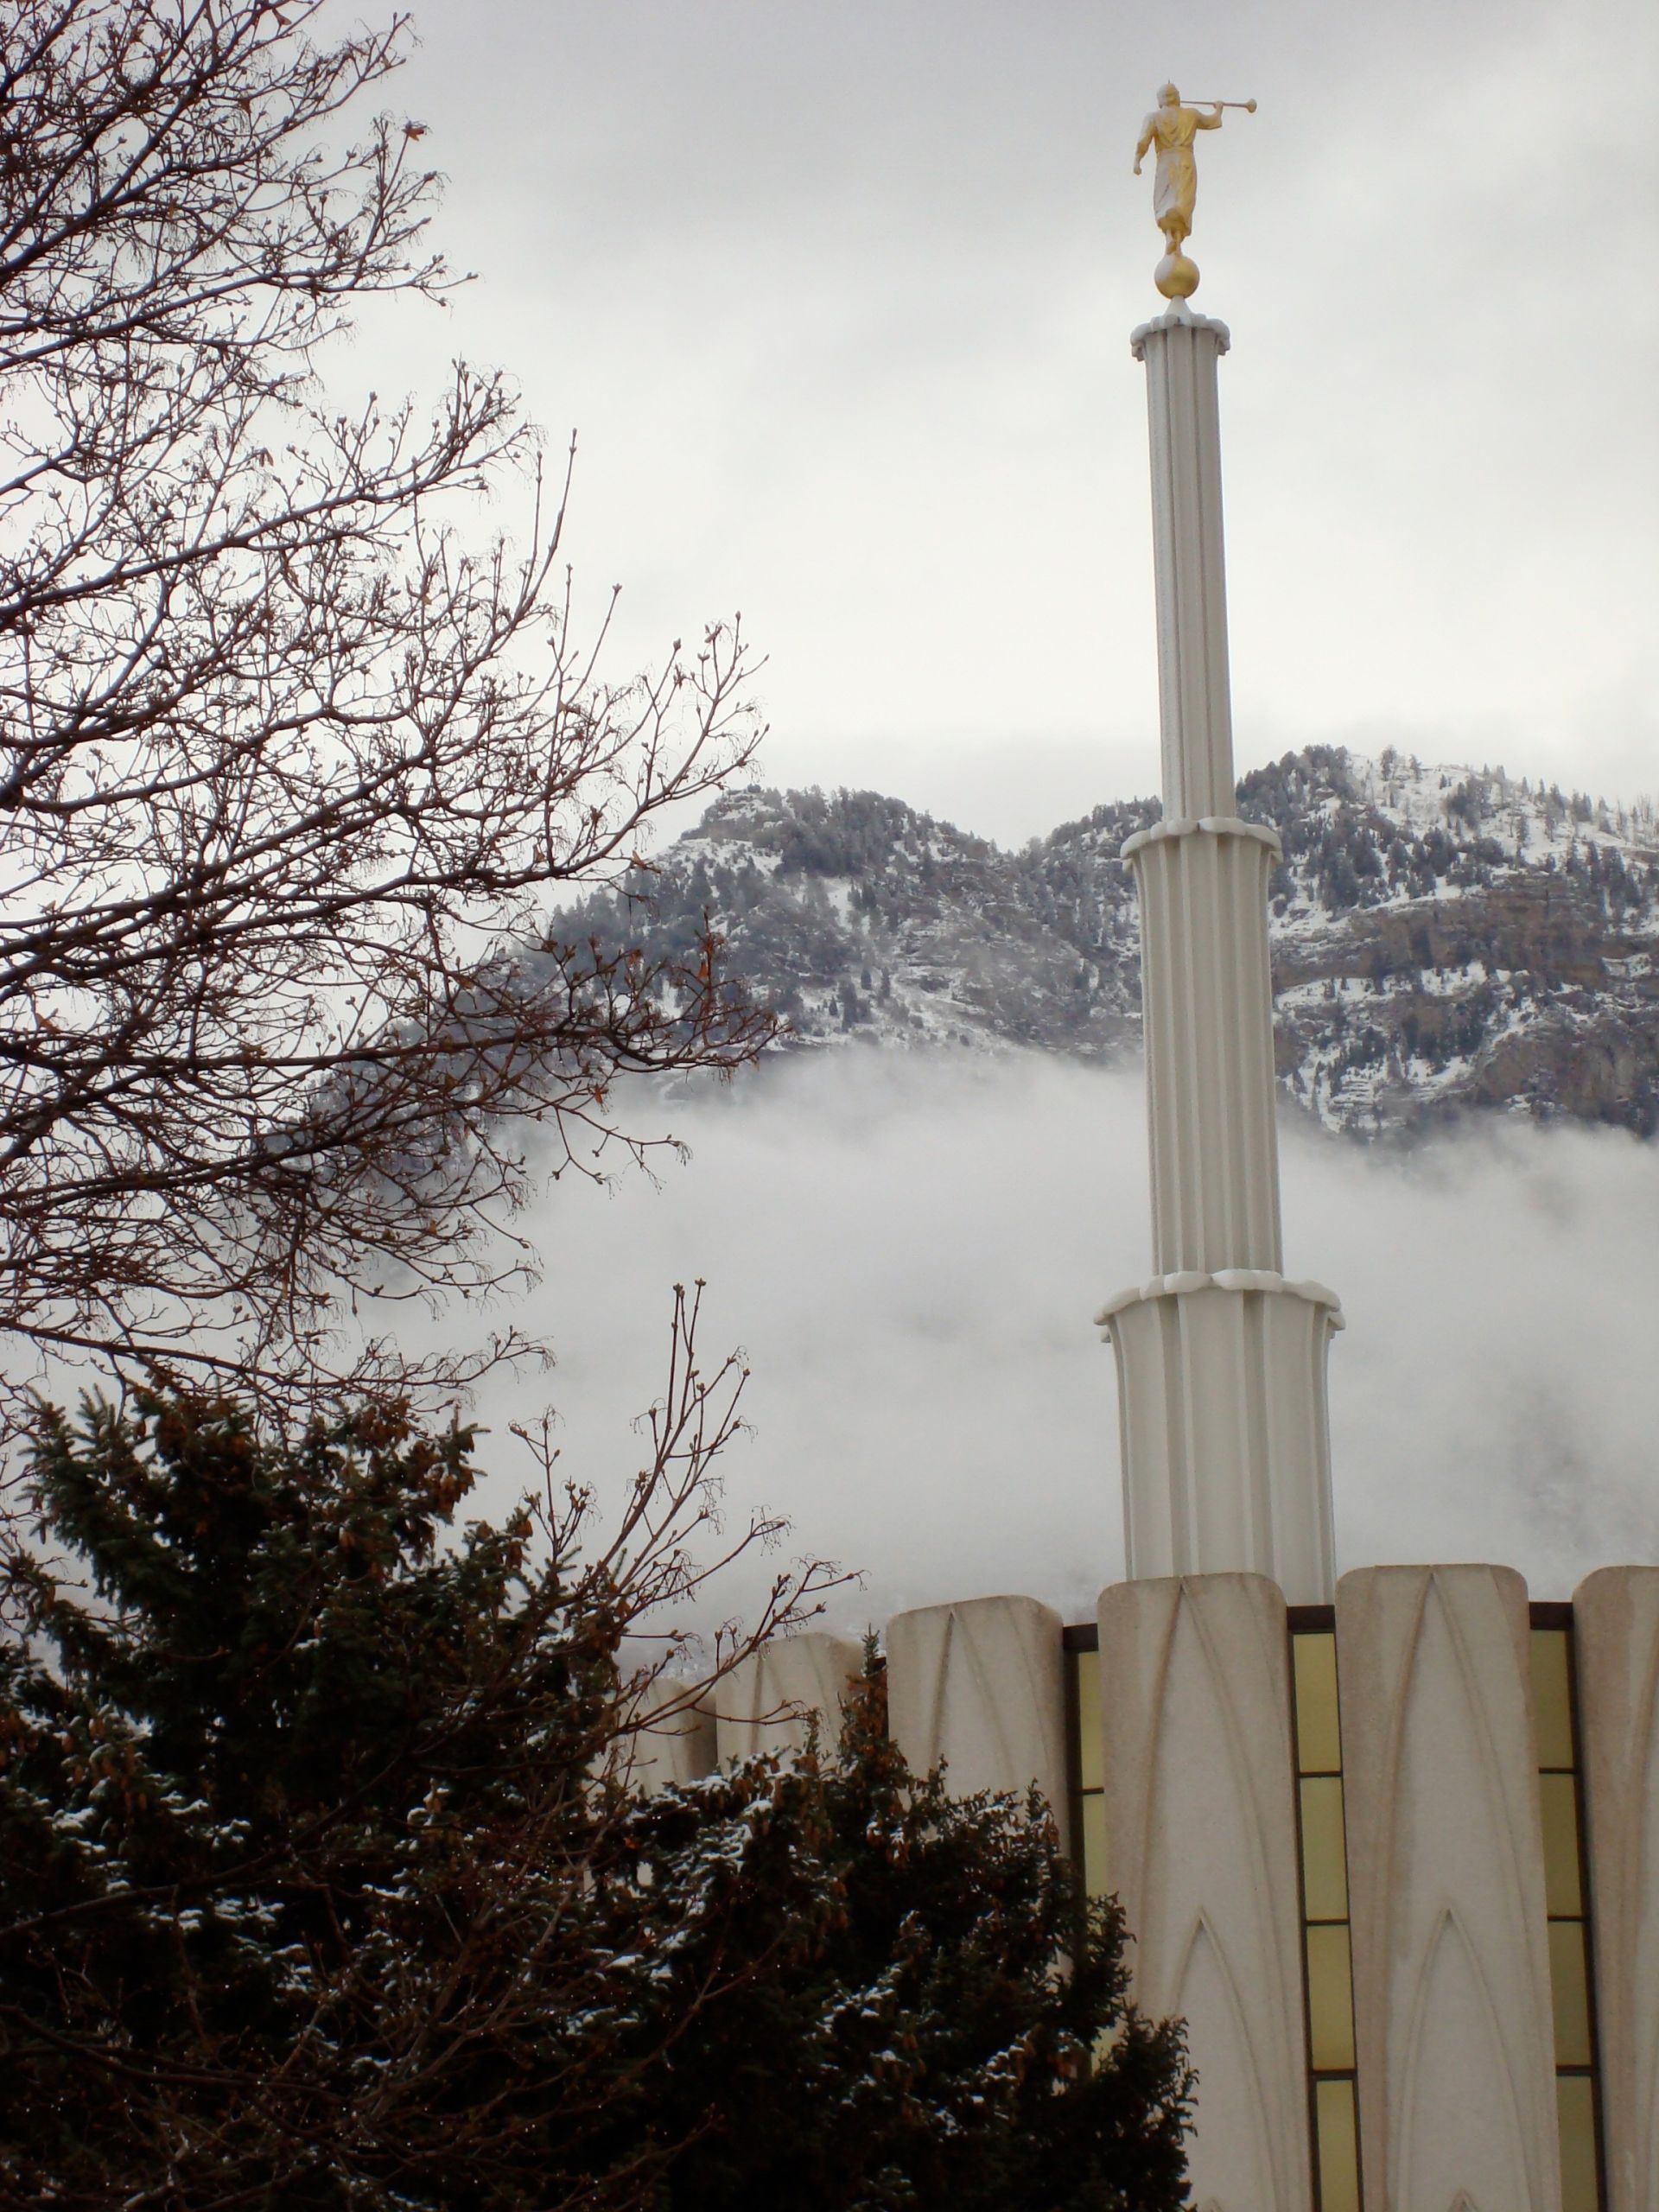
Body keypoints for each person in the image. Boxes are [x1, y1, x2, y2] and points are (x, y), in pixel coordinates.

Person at [1134, 83, 1224, 257]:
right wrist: (1219, 108)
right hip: (1185, 160)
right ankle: (1177, 238)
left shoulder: (1154, 117)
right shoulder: (1191, 114)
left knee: (1165, 198)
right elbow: (1212, 121)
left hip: (1166, 162)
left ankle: (1170, 235)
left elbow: (1142, 141)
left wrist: (1137, 161)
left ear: (1160, 100)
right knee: (1183, 198)